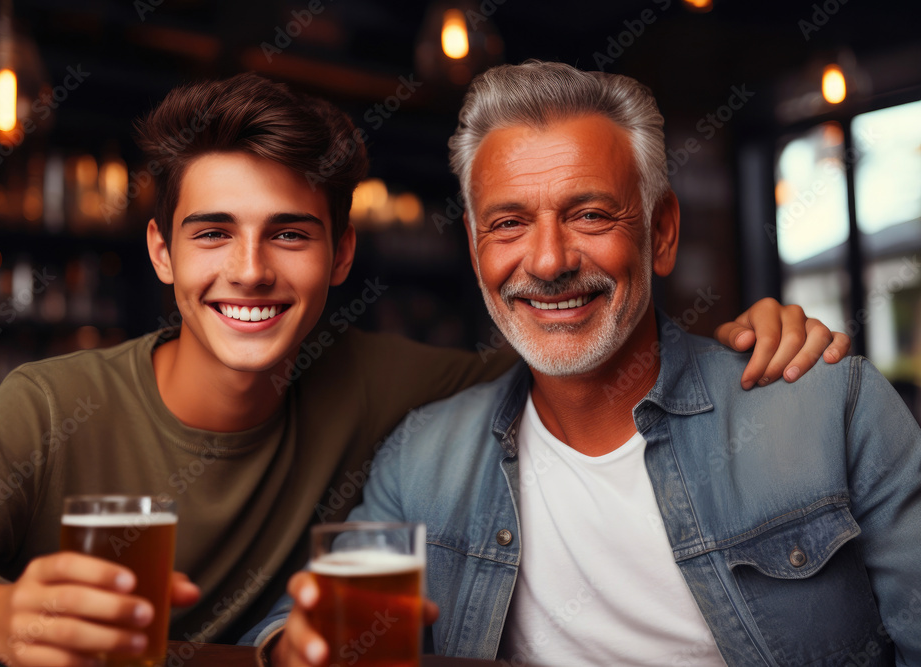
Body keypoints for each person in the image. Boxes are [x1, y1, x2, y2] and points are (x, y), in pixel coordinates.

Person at [0, 72, 847, 666]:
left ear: (341, 254)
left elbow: (576, 336)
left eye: (289, 234)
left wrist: (741, 336)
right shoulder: (48, 407)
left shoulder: (404, 389)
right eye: (213, 234)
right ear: (162, 252)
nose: (249, 270)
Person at [261, 62, 921, 666]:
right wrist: (290, 645)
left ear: (661, 232)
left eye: (589, 214)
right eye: (509, 223)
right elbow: (314, 622)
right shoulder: (420, 459)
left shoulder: (833, 409)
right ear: (473, 245)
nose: (548, 261)